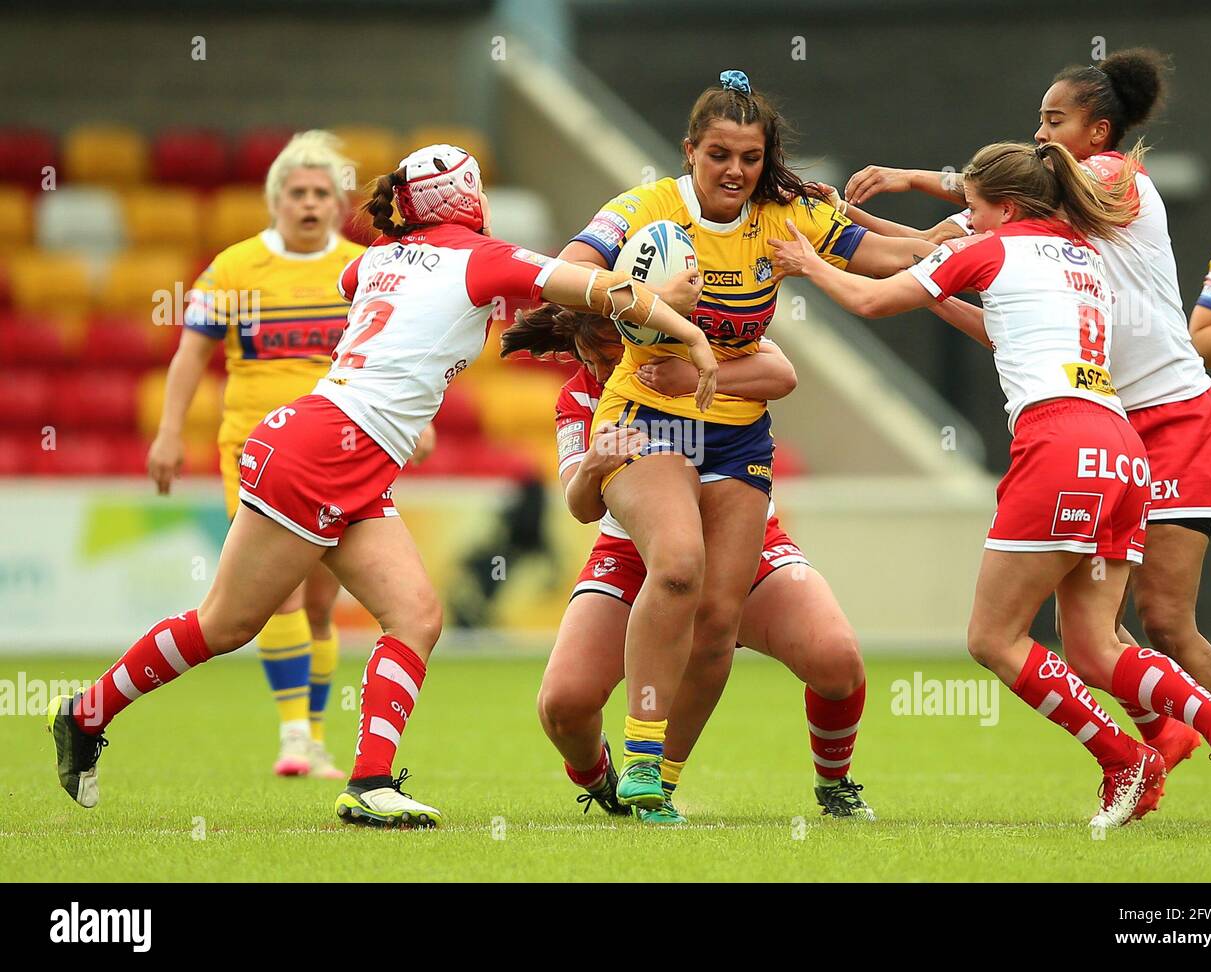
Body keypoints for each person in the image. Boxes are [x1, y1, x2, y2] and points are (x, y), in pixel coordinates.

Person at [45, 144, 718, 828]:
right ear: (469, 198)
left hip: (336, 446)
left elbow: (351, 281)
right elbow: (600, 290)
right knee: (228, 623)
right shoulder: (479, 257)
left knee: (416, 616)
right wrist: (682, 325)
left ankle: (369, 782)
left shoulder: (376, 258)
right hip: (326, 452)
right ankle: (86, 713)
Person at [771, 139, 1211, 827]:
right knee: (1096, 645)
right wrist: (936, 285)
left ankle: (1124, 759)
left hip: (1058, 443)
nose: (965, 222)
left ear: (1003, 207)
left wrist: (805, 262)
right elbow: (1005, 327)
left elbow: (869, 299)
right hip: (1122, 450)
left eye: (973, 210)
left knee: (992, 639)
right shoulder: (1077, 251)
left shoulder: (990, 248)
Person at [842, 49, 1211, 809]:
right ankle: (1167, 740)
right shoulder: (1041, 214)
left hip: (1170, 410)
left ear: (1100, 129)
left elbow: (1002, 193)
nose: (1041, 133)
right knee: (1096, 636)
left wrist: (922, 177)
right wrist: (848, 219)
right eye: (1039, 122)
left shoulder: (1117, 177)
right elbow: (941, 247)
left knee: (1166, 617)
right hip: (1107, 417)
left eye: (1054, 121)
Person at [554, 69, 927, 811]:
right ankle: (634, 757)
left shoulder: (782, 215)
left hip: (736, 439)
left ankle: (661, 782)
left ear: (765, 159)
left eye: (749, 158)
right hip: (645, 418)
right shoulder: (645, 209)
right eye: (719, 154)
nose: (734, 171)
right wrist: (646, 300)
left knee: (719, 619)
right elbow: (566, 274)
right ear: (690, 151)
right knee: (681, 565)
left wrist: (965, 246)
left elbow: (885, 260)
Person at [501, 305, 869, 822]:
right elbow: (581, 506)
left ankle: (831, 782)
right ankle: (604, 779)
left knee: (837, 659)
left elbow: (782, 373)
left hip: (749, 544)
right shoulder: (582, 397)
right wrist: (593, 466)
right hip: (632, 554)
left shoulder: (703, 346)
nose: (604, 372)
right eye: (589, 360)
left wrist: (700, 374)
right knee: (564, 704)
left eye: (611, 356)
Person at [148, 131, 379, 779]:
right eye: (296, 192)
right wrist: (169, 431)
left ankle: (315, 734)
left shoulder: (364, 270)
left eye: (321, 193)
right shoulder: (234, 269)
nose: (308, 203)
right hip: (257, 454)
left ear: (338, 204)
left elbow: (391, 355)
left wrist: (417, 422)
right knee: (276, 595)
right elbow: (191, 353)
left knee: (319, 602)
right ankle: (294, 736)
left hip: (345, 450)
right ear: (274, 200)